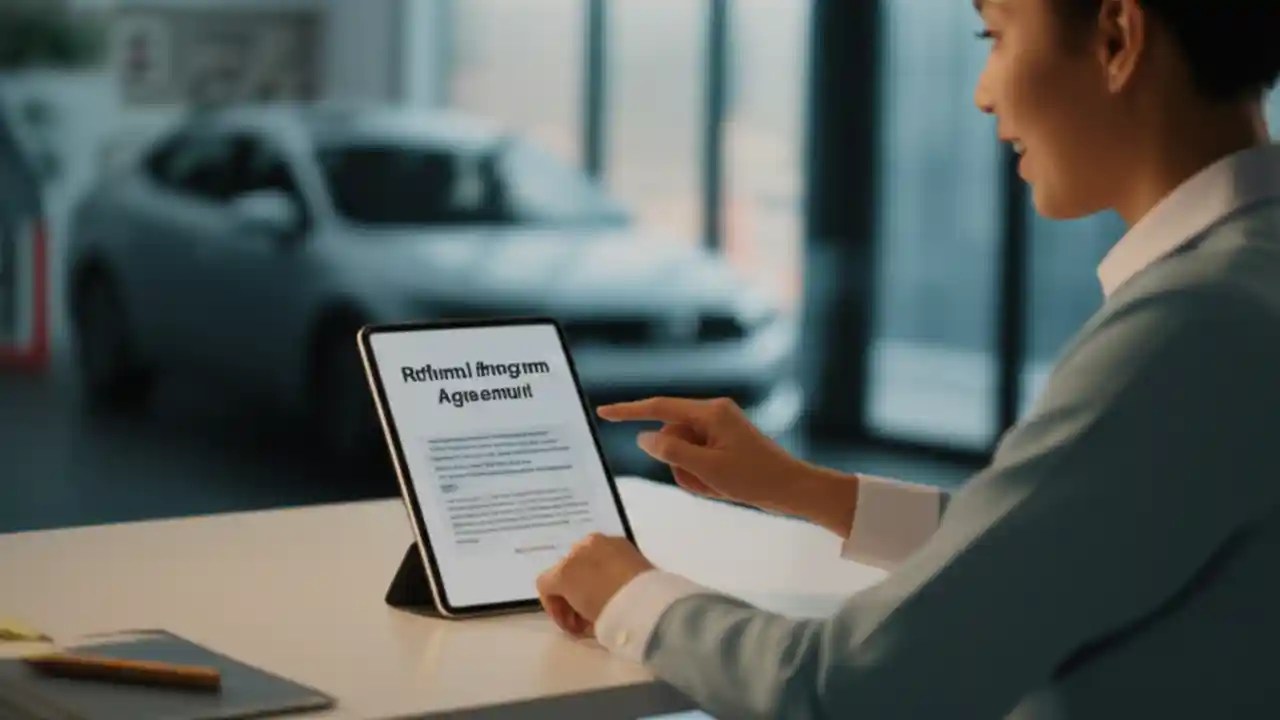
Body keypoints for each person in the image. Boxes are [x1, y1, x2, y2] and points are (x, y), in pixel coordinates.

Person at [537, 0, 1280, 717]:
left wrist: (630, 593)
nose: (984, 94)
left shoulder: (1188, 326)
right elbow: (1057, 555)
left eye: (994, 36)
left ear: (1117, 35)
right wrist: (803, 489)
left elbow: (847, 690)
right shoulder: (1250, 277)